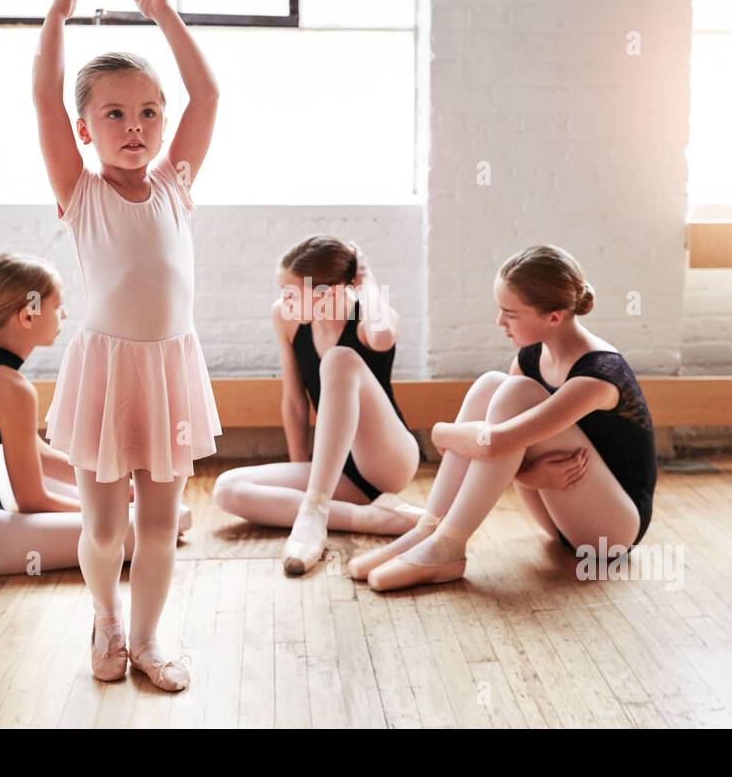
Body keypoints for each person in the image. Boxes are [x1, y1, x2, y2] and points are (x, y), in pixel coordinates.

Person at [33, 0, 221, 690]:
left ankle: (147, 639)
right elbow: (43, 98)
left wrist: (164, 14)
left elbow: (207, 93)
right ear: (86, 129)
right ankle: (105, 619)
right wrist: (56, 20)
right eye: (114, 114)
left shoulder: (176, 186)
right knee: (106, 526)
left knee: (160, 524)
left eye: (147, 112)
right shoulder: (80, 194)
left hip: (170, 371)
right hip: (106, 374)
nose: (134, 126)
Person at [348, 244, 657, 592]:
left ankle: (449, 545)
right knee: (491, 386)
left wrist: (441, 433)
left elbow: (496, 443)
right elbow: (504, 454)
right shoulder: (530, 358)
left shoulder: (599, 375)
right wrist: (528, 474)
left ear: (554, 316)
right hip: (561, 512)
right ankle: (430, 528)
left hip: (610, 533)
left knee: (516, 394)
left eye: (510, 313)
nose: (500, 322)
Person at [0, 253, 192, 578]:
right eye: (57, 305)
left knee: (142, 510)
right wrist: (113, 511)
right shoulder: (11, 387)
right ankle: (116, 513)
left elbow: (36, 453)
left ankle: (115, 504)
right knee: (172, 519)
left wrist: (120, 487)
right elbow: (33, 500)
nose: (64, 314)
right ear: (28, 316)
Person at [213, 236, 425, 576]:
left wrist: (366, 280)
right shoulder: (286, 318)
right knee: (228, 490)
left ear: (326, 293)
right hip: (334, 471)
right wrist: (303, 469)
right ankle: (368, 518)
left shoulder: (370, 319)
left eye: (291, 291)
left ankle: (315, 510)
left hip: (385, 459)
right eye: (281, 288)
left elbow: (384, 336)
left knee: (339, 360)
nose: (283, 299)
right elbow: (295, 400)